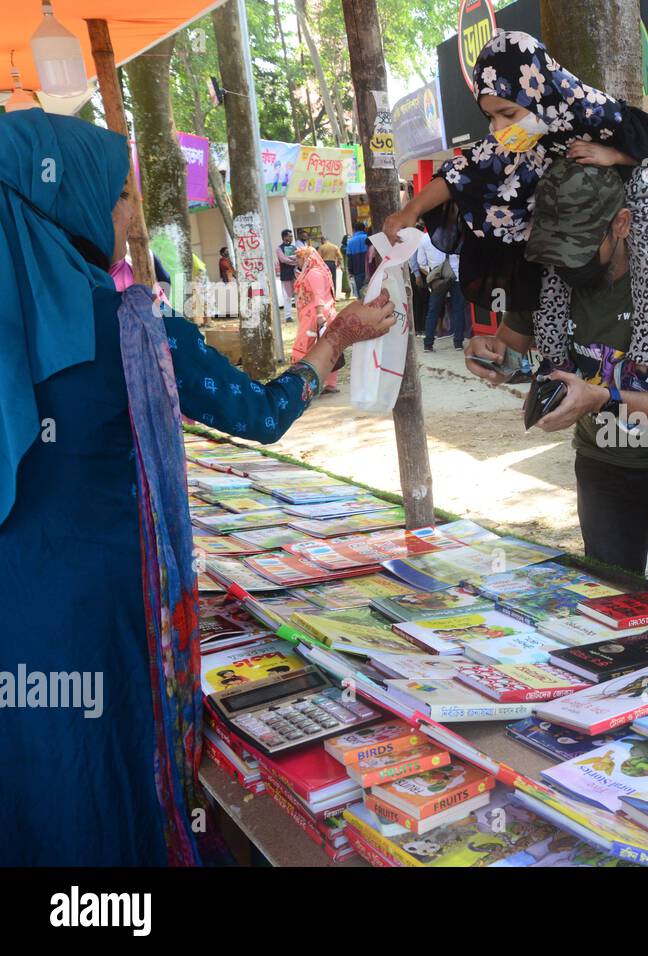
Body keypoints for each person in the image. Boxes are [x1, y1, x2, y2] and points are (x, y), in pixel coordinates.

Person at [0, 109, 396, 865]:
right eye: (119, 197)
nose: (128, 217)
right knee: (100, 782)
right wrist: (337, 339)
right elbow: (261, 413)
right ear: (70, 201)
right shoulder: (130, 325)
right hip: (97, 616)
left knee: (30, 776)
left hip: (15, 608)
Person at [464, 160, 648, 596]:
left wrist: (603, 398)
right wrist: (489, 357)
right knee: (610, 596)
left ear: (622, 224)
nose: (568, 264)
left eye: (582, 248)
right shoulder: (546, 273)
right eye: (557, 248)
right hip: (603, 461)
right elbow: (509, 350)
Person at [382, 30, 648, 321]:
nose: (498, 128)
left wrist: (614, 155)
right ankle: (553, 358)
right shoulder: (516, 141)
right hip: (566, 229)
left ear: (536, 88)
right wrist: (411, 210)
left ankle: (645, 359)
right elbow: (462, 173)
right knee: (549, 298)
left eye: (507, 113)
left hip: (635, 192)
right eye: (490, 117)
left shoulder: (590, 108)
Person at [292, 246, 341, 393]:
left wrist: (319, 314)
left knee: (307, 350)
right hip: (319, 315)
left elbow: (319, 295)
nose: (297, 262)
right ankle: (328, 384)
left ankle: (308, 386)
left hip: (316, 317)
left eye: (298, 259)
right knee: (326, 350)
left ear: (306, 259)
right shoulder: (316, 271)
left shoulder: (313, 273)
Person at [415, 228, 467, 351]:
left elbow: (421, 262)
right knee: (458, 309)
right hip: (456, 276)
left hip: (438, 279)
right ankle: (458, 343)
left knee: (433, 311)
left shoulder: (424, 238)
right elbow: (463, 256)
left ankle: (428, 344)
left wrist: (432, 272)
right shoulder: (455, 233)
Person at [275, 227, 297, 318]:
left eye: (292, 236)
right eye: (289, 236)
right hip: (285, 275)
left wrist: (292, 260)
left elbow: (297, 257)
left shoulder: (294, 247)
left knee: (297, 295)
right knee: (287, 296)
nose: (291, 238)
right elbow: (283, 259)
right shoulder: (279, 248)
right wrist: (293, 260)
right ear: (284, 237)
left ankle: (301, 314)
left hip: (295, 274)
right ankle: (288, 316)